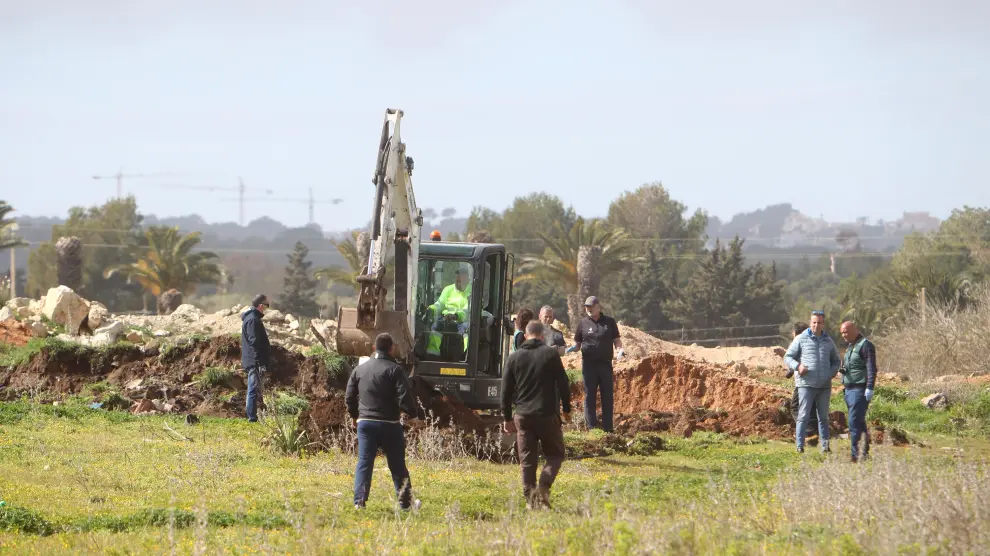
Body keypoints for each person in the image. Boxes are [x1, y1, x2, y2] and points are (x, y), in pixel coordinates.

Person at [500, 320, 571, 509]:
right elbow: (563, 383)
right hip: (547, 414)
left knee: (527, 459)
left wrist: (507, 417)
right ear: (542, 336)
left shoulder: (514, 357)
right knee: (555, 455)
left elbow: (505, 391)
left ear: (525, 335)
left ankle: (531, 501)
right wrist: (567, 409)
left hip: (523, 416)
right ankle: (543, 487)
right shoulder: (550, 354)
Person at [345, 333, 418, 510]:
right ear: (391, 349)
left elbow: (349, 396)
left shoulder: (359, 370)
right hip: (390, 425)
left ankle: (359, 502)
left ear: (373, 348)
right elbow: (404, 397)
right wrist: (411, 413)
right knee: (397, 465)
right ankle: (406, 504)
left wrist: (355, 416)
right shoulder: (395, 369)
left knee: (364, 462)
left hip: (365, 424)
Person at [784, 310, 841, 454]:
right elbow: (788, 357)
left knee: (823, 417)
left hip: (824, 386)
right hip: (806, 385)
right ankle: (799, 446)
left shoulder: (828, 341)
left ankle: (825, 447)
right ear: (810, 323)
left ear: (823, 324)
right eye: (814, 322)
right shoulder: (801, 339)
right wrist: (798, 366)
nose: (816, 325)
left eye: (819, 322)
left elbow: (836, 361)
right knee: (803, 415)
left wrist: (832, 372)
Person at [570, 296, 624, 433]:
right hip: (589, 365)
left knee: (607, 396)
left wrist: (620, 350)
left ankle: (608, 428)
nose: (588, 309)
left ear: (598, 307)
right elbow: (577, 344)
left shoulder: (609, 322)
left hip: (605, 365)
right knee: (589, 395)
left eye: (591, 306)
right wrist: (569, 349)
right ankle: (592, 428)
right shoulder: (583, 323)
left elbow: (616, 340)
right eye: (586, 307)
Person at [839, 321, 877, 463]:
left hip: (859, 390)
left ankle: (856, 455)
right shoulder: (850, 346)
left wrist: (870, 387)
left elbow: (871, 368)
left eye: (846, 332)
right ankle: (863, 453)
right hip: (848, 390)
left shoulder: (866, 345)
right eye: (842, 333)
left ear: (855, 329)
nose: (844, 335)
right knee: (859, 423)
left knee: (853, 422)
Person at [785, 322, 819, 441]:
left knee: (795, 407)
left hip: (803, 382)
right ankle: (815, 433)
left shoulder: (799, 342)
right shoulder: (813, 342)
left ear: (795, 333)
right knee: (811, 408)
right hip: (816, 381)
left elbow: (796, 360)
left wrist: (789, 371)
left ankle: (808, 432)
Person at [240, 294, 271, 422]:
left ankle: (257, 415)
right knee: (252, 389)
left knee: (256, 389)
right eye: (267, 305)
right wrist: (259, 361)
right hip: (254, 361)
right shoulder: (253, 320)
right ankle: (252, 417)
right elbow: (254, 342)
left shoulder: (252, 318)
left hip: (254, 359)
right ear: (260, 305)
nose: (267, 308)